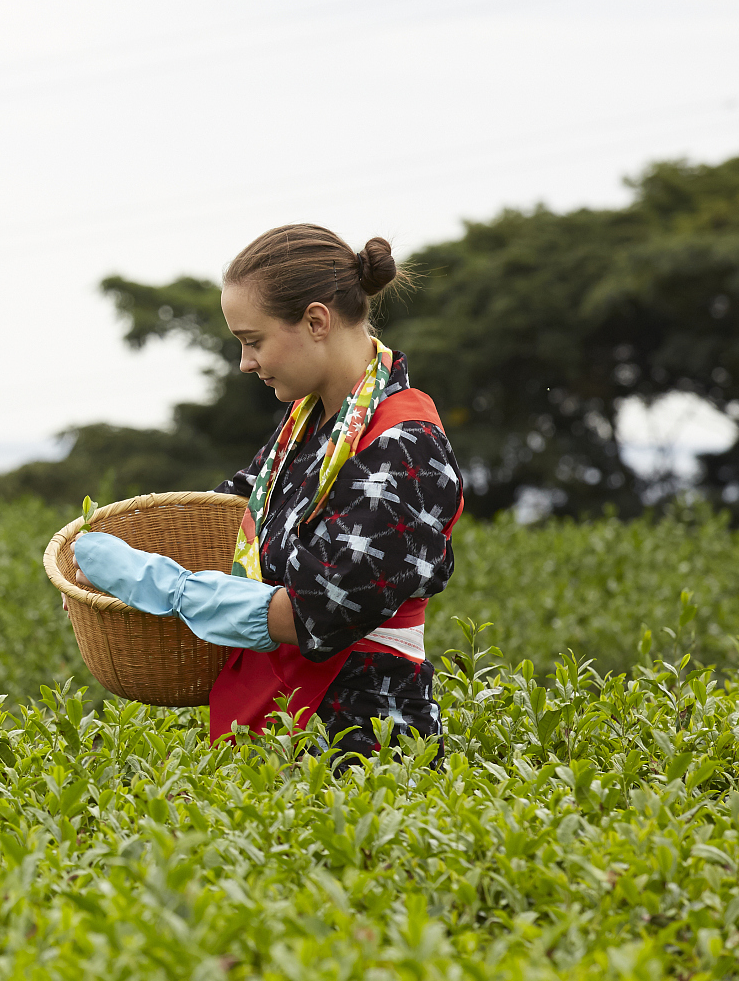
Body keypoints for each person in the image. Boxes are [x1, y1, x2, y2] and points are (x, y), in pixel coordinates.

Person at [73, 224, 463, 760]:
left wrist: (176, 592)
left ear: (316, 321)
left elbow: (318, 610)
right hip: (277, 726)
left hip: (360, 739)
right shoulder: (304, 428)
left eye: (253, 341)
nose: (245, 363)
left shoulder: (404, 443)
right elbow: (227, 520)